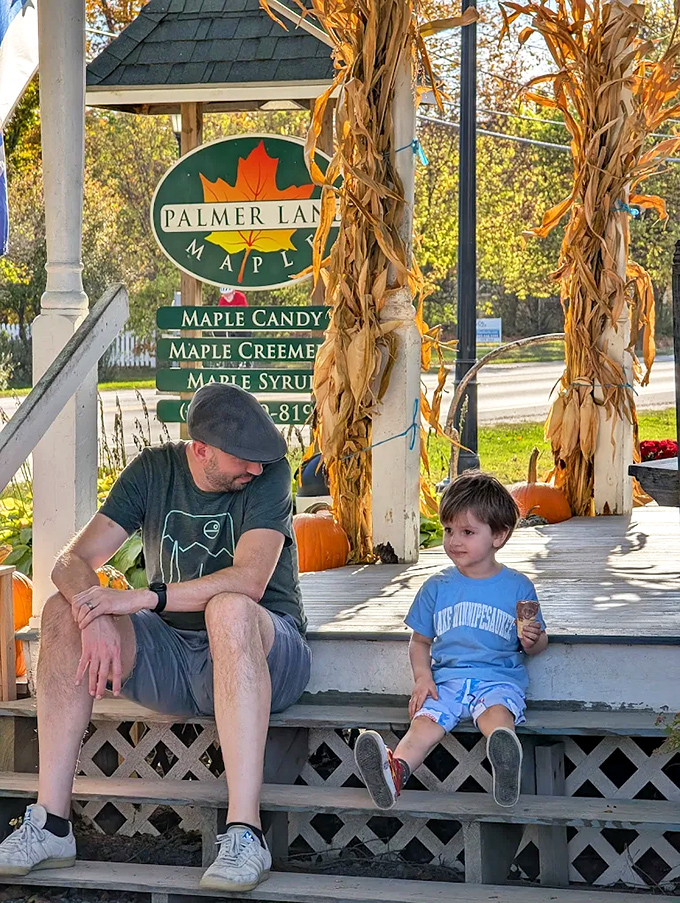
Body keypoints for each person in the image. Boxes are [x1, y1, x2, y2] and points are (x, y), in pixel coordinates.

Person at [0, 383, 311, 892]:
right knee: (61, 609)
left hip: (268, 650)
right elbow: (70, 561)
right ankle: (51, 825)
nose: (255, 468)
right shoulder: (153, 470)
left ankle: (245, 833)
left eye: (261, 458)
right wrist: (95, 617)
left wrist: (143, 597)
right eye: (243, 459)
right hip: (175, 654)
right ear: (201, 450)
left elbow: (250, 581)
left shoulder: (269, 475)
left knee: (229, 608)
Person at [354, 470, 548, 810]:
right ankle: (394, 772)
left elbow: (537, 642)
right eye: (448, 530)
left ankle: (506, 765)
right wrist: (423, 678)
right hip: (446, 681)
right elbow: (420, 642)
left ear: (499, 535)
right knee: (423, 726)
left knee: (497, 718)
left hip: (497, 679)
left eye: (467, 532)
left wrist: (533, 640)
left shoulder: (518, 587)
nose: (454, 541)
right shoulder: (436, 587)